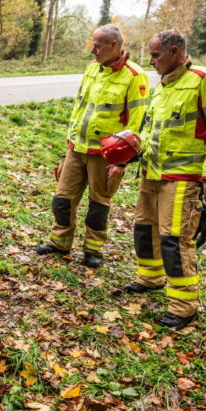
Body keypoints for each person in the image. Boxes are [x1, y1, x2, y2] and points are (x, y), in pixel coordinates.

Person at [114, 29, 206, 329]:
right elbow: (152, 131)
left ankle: (183, 306)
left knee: (174, 240)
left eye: (155, 55)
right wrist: (127, 156)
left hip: (183, 178)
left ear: (176, 52)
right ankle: (149, 278)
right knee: (144, 230)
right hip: (151, 173)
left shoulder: (204, 80)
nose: (150, 61)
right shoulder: (162, 86)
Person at [36, 25, 150, 268]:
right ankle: (59, 242)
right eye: (93, 44)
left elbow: (137, 122)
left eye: (98, 46)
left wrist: (122, 161)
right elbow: (80, 107)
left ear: (114, 46)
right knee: (63, 199)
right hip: (76, 148)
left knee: (98, 206)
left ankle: (92, 250)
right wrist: (70, 139)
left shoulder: (134, 75)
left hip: (106, 155)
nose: (93, 50)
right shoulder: (91, 69)